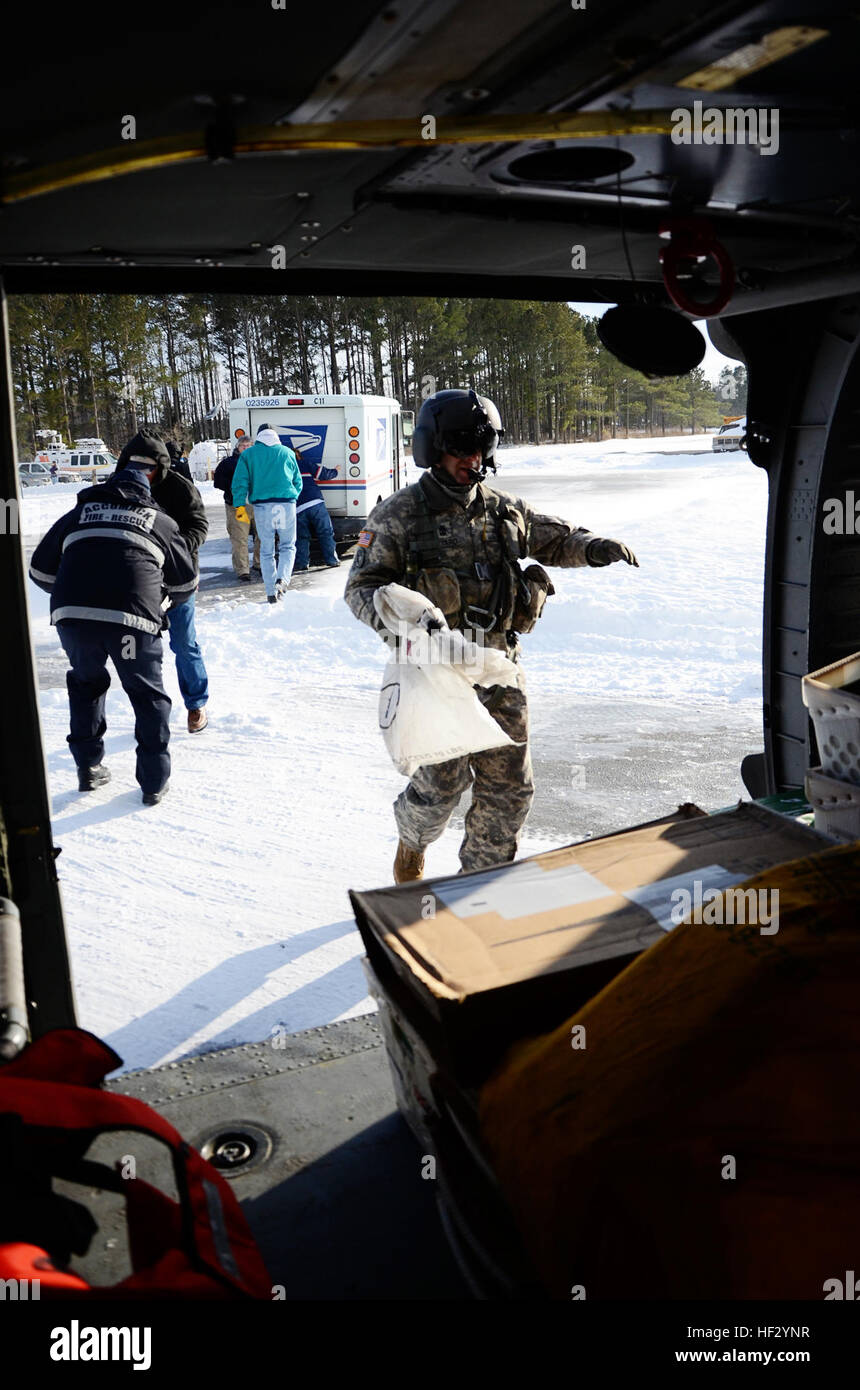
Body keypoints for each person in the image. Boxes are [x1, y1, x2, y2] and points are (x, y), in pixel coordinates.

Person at [344, 388, 639, 883]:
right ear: (433, 449)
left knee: (510, 790)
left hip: (499, 666)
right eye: (462, 448)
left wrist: (594, 547)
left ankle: (476, 891)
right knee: (442, 786)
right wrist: (404, 626)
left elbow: (557, 537)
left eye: (481, 448)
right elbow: (361, 588)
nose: (473, 459)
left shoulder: (503, 509)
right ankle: (413, 839)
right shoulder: (399, 515)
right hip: (435, 672)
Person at [28, 454, 196, 805]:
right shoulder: (160, 521)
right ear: (146, 492)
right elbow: (186, 585)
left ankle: (88, 769)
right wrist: (160, 596)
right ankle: (153, 783)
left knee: (86, 683)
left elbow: (40, 572)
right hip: (130, 624)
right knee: (146, 693)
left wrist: (79, 585)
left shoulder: (76, 515)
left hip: (74, 619)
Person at [114, 431, 211, 733]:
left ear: (161, 465)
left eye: (149, 466)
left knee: (184, 643)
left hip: (178, 580)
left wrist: (176, 548)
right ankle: (149, 710)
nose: (142, 472)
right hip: (137, 582)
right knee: (140, 648)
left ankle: (196, 703)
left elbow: (199, 525)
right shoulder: (118, 487)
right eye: (136, 465)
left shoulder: (180, 488)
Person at [231, 425, 302, 604]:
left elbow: (240, 481)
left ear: (259, 436)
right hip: (286, 504)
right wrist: (292, 498)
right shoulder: (287, 453)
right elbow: (297, 481)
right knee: (287, 546)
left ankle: (270, 592)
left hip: (262, 506)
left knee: (266, 550)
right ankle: (283, 580)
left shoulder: (248, 455)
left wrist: (240, 506)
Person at [213, 436, 261, 581]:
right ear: (237, 447)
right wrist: (235, 488)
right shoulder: (228, 463)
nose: (245, 448)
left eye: (248, 445)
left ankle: (259, 564)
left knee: (263, 537)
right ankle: (243, 570)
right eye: (243, 446)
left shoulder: (258, 461)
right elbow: (218, 482)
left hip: (258, 505)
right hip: (236, 506)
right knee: (240, 539)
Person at [293, 450, 341, 572]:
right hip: (315, 503)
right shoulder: (305, 463)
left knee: (301, 536)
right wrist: (335, 471)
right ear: (299, 456)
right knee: (325, 532)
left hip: (298, 507)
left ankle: (302, 563)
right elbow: (323, 474)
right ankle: (332, 560)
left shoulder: (284, 469)